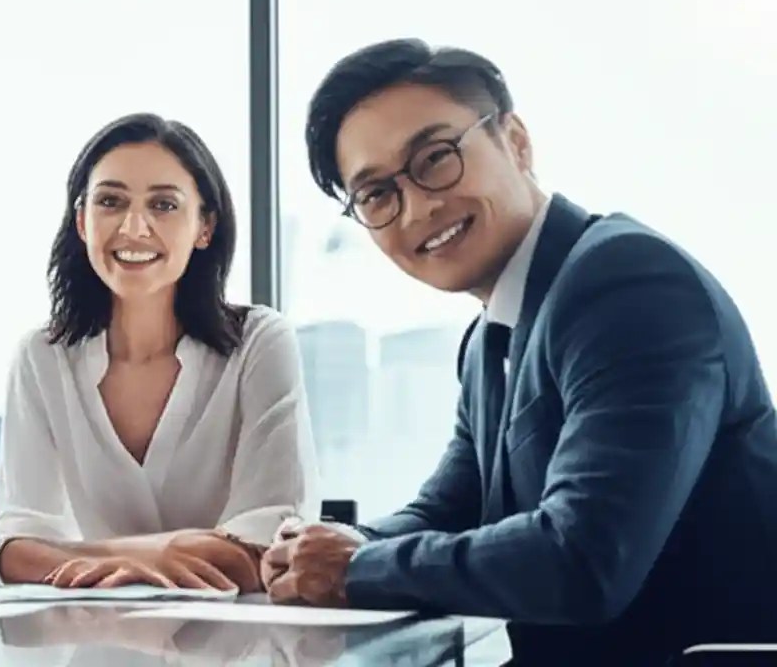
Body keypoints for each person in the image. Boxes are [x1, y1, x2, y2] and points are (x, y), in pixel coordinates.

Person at [262, 39, 777, 662]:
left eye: (436, 158)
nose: (418, 207)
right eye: (376, 194)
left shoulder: (627, 283)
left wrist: (355, 566)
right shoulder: (492, 335)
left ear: (516, 141)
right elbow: (449, 510)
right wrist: (328, 545)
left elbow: (583, 559)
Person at [0, 113, 319, 591]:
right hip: (96, 625)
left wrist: (91, 556)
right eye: (111, 201)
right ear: (82, 221)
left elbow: (270, 545)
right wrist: (158, 555)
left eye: (163, 205)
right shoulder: (42, 356)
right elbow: (14, 548)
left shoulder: (259, 342)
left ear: (205, 226)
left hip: (237, 631)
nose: (134, 227)